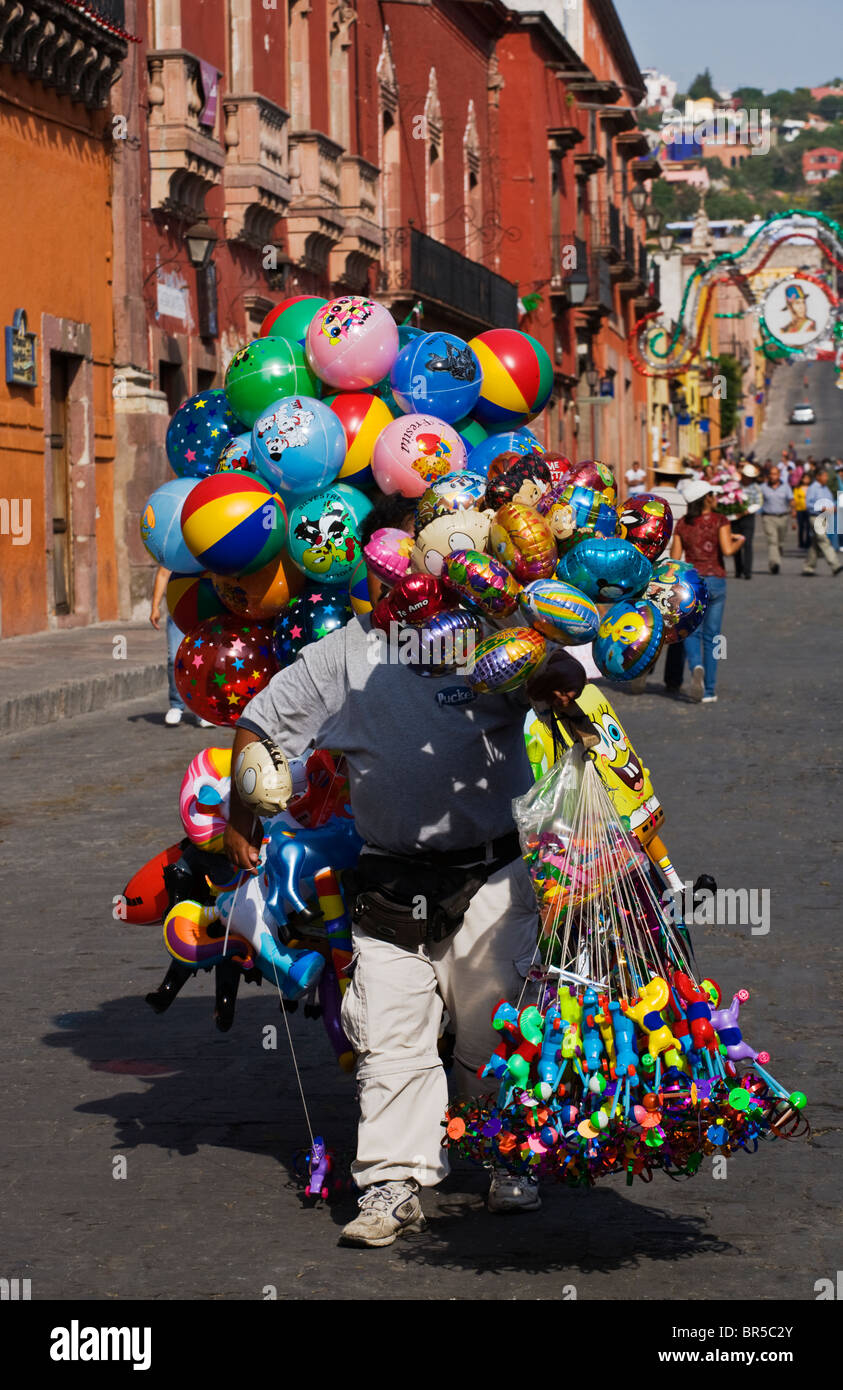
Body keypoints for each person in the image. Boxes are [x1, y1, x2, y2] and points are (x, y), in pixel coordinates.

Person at [223, 495, 589, 1246]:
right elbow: (263, 721)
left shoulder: (492, 633)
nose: (401, 585)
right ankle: (391, 1183)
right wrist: (241, 811)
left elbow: (561, 675)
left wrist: (552, 669)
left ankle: (505, 1155)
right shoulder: (345, 655)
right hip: (390, 879)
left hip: (492, 872)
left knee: (494, 1034)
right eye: (387, 571)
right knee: (390, 1038)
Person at [670, 480, 744, 704]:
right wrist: (740, 539)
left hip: (693, 582)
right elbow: (727, 550)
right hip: (716, 581)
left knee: (691, 631)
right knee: (713, 637)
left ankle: (696, 665)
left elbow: (675, 559)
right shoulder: (720, 520)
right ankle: (710, 690)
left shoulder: (683, 524)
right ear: (707, 498)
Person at [150, 564, 213, 727]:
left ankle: (202, 710)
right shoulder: (177, 547)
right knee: (174, 659)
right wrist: (155, 607)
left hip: (207, 612)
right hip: (179, 613)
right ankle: (176, 705)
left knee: (203, 663)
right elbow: (163, 573)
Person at [651, 457, 691, 697]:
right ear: (678, 479)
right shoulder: (686, 503)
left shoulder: (646, 499)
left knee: (648, 622)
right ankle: (673, 680)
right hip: (677, 572)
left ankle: (643, 669)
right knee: (677, 627)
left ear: (656, 476)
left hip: (649, 569)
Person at [802, 467, 843, 577]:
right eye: (824, 476)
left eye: (827, 476)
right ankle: (835, 564)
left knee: (815, 543)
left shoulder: (826, 489)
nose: (826, 478)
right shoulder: (813, 488)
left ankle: (809, 567)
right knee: (823, 540)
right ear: (818, 477)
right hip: (815, 517)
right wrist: (822, 508)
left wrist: (833, 508)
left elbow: (829, 501)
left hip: (825, 518)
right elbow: (809, 505)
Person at [759, 466, 793, 574]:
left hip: (783, 517)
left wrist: (794, 512)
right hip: (768, 517)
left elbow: (791, 500)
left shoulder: (786, 487)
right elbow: (758, 500)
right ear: (768, 476)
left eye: (775, 474)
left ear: (779, 475)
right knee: (772, 541)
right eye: (771, 474)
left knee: (780, 542)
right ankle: (775, 563)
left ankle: (778, 552)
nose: (773, 476)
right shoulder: (763, 487)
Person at [733, 464, 761, 579]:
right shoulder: (735, 486)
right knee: (736, 543)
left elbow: (758, 503)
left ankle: (748, 571)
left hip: (748, 517)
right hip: (735, 517)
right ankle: (738, 570)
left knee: (748, 544)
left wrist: (747, 511)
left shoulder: (756, 488)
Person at [792, 477, 810, 550]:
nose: (806, 480)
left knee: (809, 527)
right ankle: (801, 542)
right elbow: (794, 499)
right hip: (799, 509)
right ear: (802, 479)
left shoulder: (811, 488)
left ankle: (808, 542)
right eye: (805, 478)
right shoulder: (797, 488)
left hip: (808, 509)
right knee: (801, 527)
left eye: (807, 478)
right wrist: (794, 510)